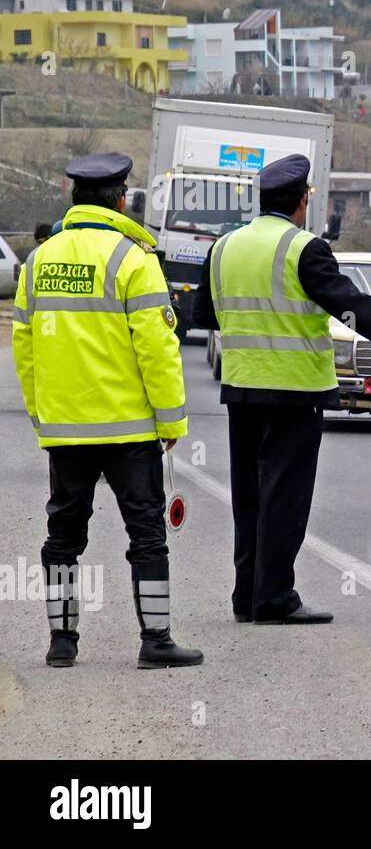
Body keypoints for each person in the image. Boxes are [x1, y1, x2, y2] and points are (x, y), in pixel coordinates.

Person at [193, 154, 371, 624]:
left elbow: (206, 319)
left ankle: (246, 595)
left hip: (242, 390)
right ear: (302, 200)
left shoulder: (224, 247)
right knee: (284, 498)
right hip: (293, 393)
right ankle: (275, 599)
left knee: (249, 497)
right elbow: (355, 307)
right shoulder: (303, 249)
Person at [12, 153, 202, 668]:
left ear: (73, 199)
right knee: (146, 535)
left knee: (63, 538)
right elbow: (158, 351)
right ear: (121, 200)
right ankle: (156, 641)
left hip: (66, 433)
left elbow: (24, 348)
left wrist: (40, 415)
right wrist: (172, 422)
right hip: (129, 432)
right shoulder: (134, 260)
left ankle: (62, 644)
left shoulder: (40, 261)